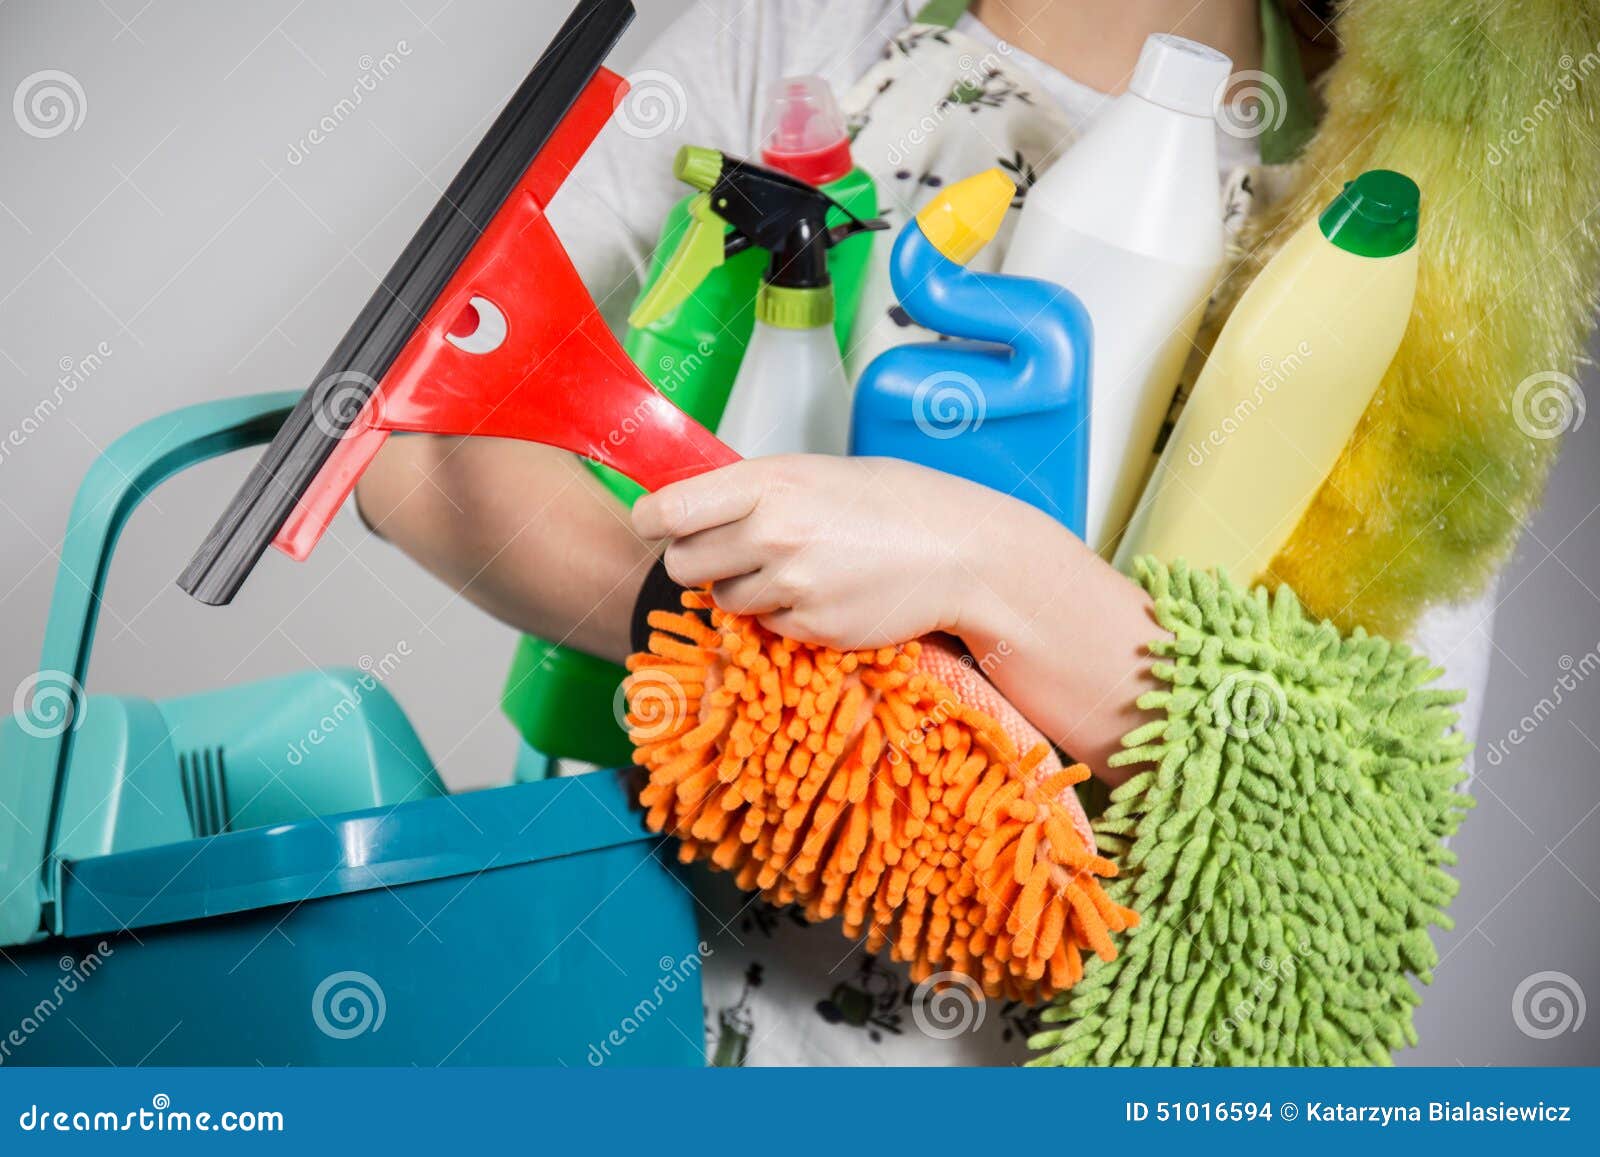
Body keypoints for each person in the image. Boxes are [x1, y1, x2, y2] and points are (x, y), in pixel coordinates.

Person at [354, 0, 1494, 1064]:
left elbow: (1359, 808)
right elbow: (405, 441)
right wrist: (745, 648)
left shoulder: (1395, 209)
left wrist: (981, 564)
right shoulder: (804, 27)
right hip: (624, 997)